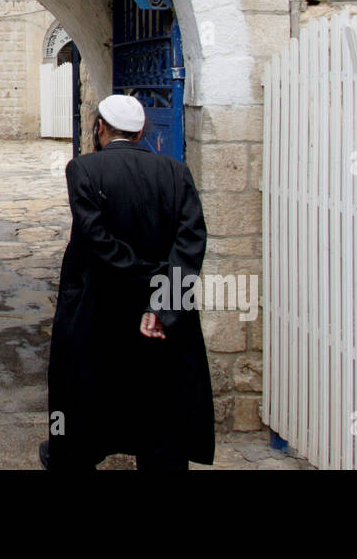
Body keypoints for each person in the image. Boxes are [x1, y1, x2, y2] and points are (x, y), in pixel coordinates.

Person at [40, 93, 215, 471]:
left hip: (97, 307)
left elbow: (96, 239)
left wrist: (144, 275)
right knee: (159, 399)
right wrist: (163, 299)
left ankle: (73, 455)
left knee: (87, 394)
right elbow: (192, 242)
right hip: (159, 316)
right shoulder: (175, 172)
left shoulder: (83, 170)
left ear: (100, 127)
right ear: (140, 133)